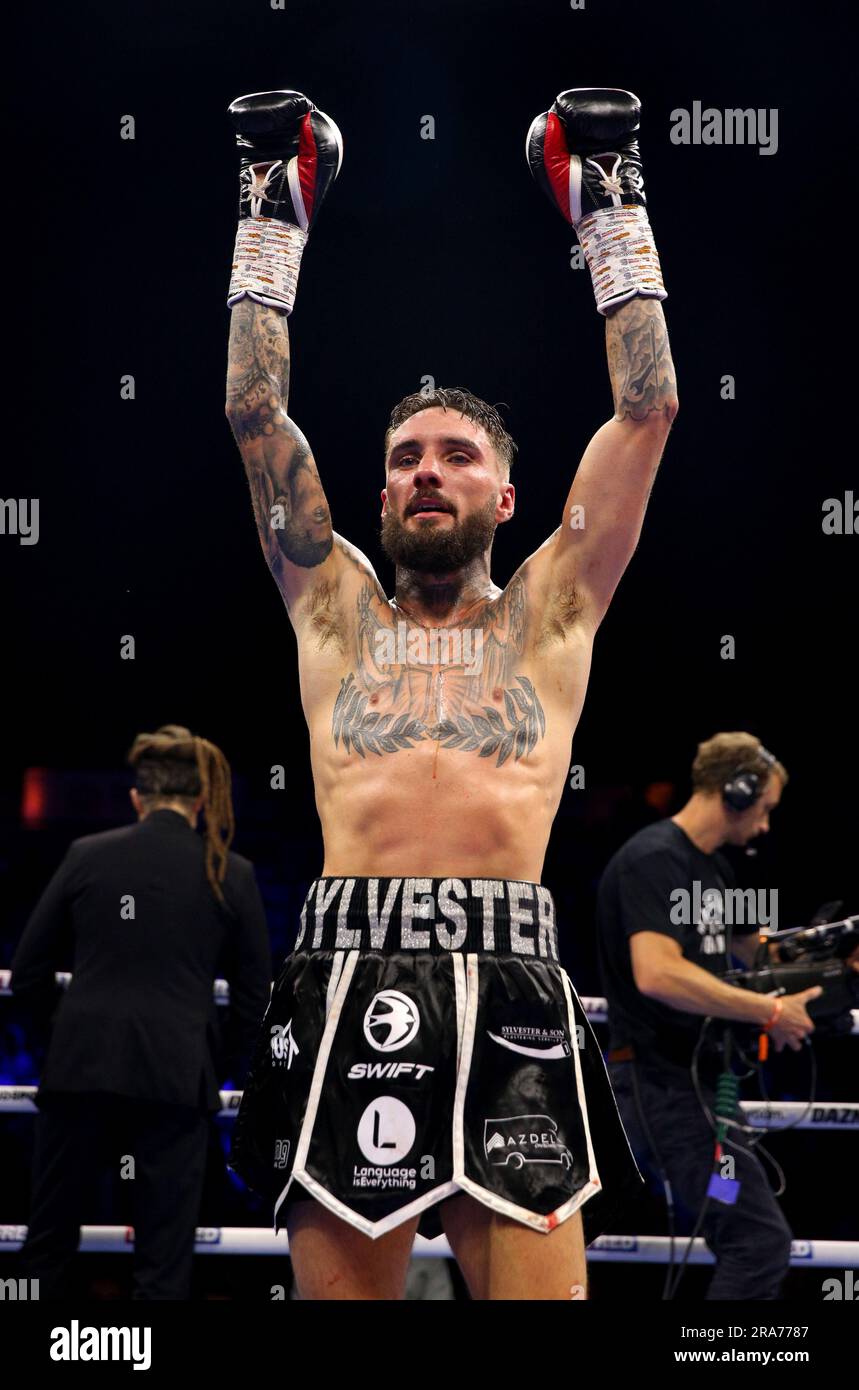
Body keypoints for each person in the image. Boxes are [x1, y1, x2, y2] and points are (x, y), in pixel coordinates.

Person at [223, 86, 678, 1300]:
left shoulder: (553, 612)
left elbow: (648, 408)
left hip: (514, 980)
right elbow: (254, 412)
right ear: (377, 496)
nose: (427, 473)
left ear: (506, 497)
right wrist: (273, 203)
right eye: (405, 460)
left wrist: (606, 197)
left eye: (457, 456)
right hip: (345, 964)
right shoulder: (333, 608)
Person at [10, 725, 271, 1299]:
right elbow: (255, 1000)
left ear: (137, 799)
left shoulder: (87, 855)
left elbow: (27, 975)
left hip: (79, 1072)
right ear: (201, 802)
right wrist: (210, 1063)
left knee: (45, 1247)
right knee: (163, 1261)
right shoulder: (231, 870)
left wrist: (61, 1041)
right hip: (174, 1081)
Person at [596, 732, 824, 1299]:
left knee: (731, 1223)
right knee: (757, 1242)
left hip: (704, 1098)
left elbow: (760, 948)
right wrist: (769, 1010)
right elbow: (658, 973)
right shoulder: (652, 861)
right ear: (739, 791)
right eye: (766, 808)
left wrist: (832, 953)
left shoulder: (709, 871)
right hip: (661, 1094)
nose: (767, 825)